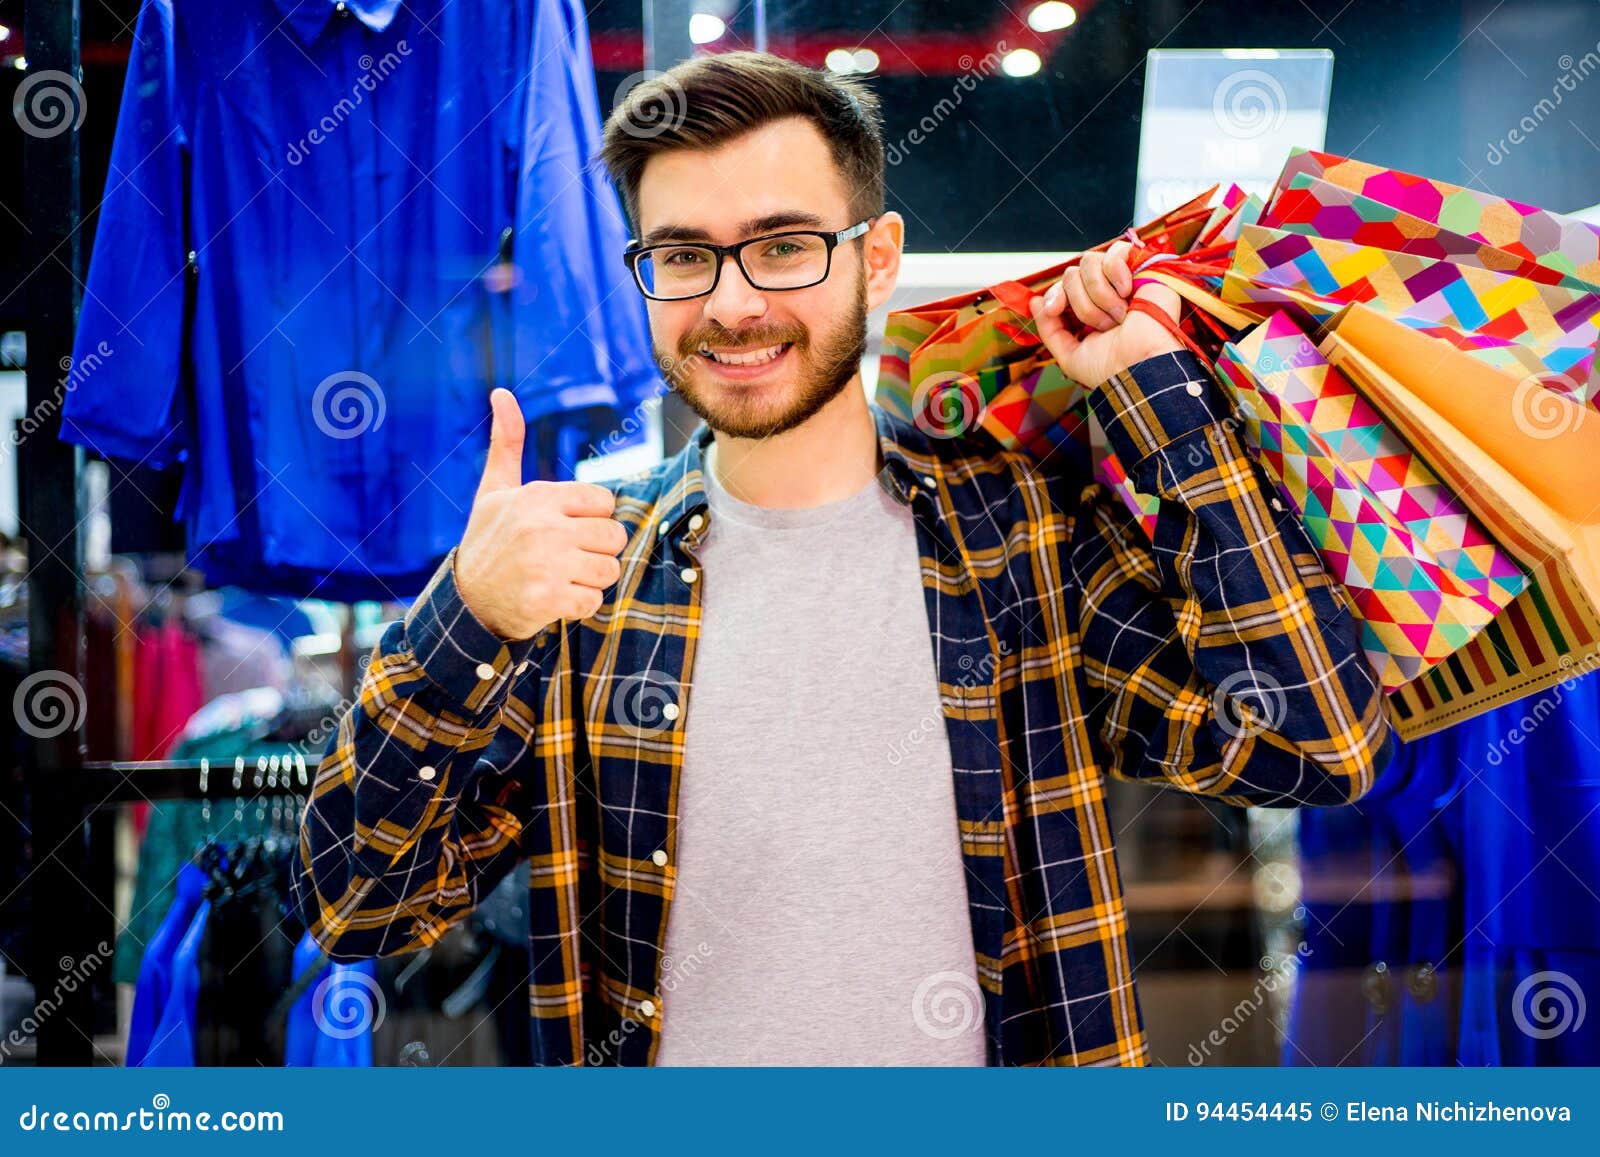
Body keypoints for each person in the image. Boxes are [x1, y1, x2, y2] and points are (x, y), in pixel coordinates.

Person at [293, 50, 1393, 1067]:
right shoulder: (581, 575)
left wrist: (1158, 400)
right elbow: (357, 902)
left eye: (782, 246)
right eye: (682, 256)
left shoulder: (1018, 539)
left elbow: (1315, 742)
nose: (731, 303)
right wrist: (464, 620)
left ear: (878, 259)